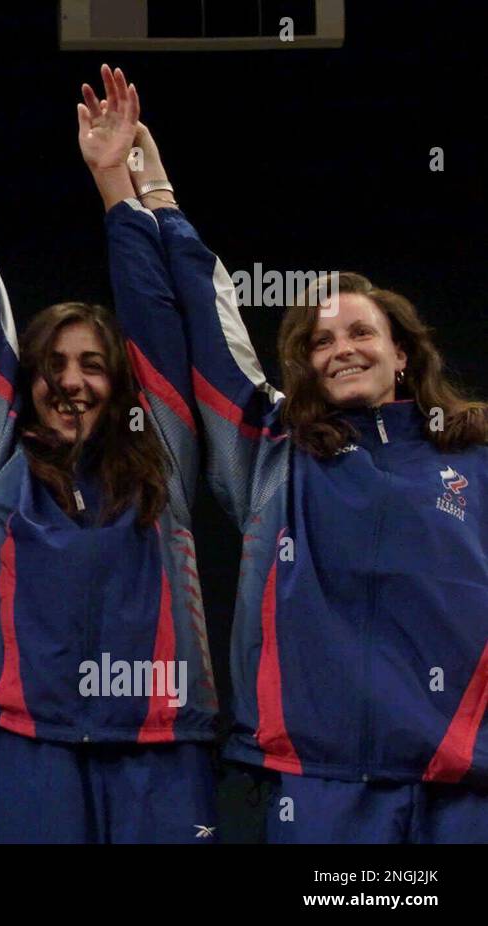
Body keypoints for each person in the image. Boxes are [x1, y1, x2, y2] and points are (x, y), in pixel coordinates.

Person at [107, 70, 488, 843]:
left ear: (403, 354)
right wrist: (144, 194)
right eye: (320, 341)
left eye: (360, 333)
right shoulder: (278, 449)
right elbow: (205, 336)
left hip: (466, 777)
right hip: (321, 783)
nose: (341, 349)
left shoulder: (476, 450)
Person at [0, 73, 218, 843]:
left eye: (94, 364)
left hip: (157, 733)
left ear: (120, 382)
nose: (72, 381)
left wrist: (115, 184)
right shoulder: (1, 471)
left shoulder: (164, 469)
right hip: (30, 735)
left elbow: (155, 319)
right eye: (54, 365)